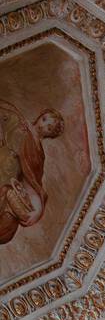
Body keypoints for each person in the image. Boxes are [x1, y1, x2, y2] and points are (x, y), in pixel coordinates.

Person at [0, 101, 64, 244]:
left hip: (7, 178)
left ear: (51, 134)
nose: (43, 125)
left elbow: (32, 182)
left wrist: (38, 210)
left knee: (8, 225)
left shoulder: (37, 154)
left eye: (49, 127)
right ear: (40, 115)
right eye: (44, 119)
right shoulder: (18, 122)